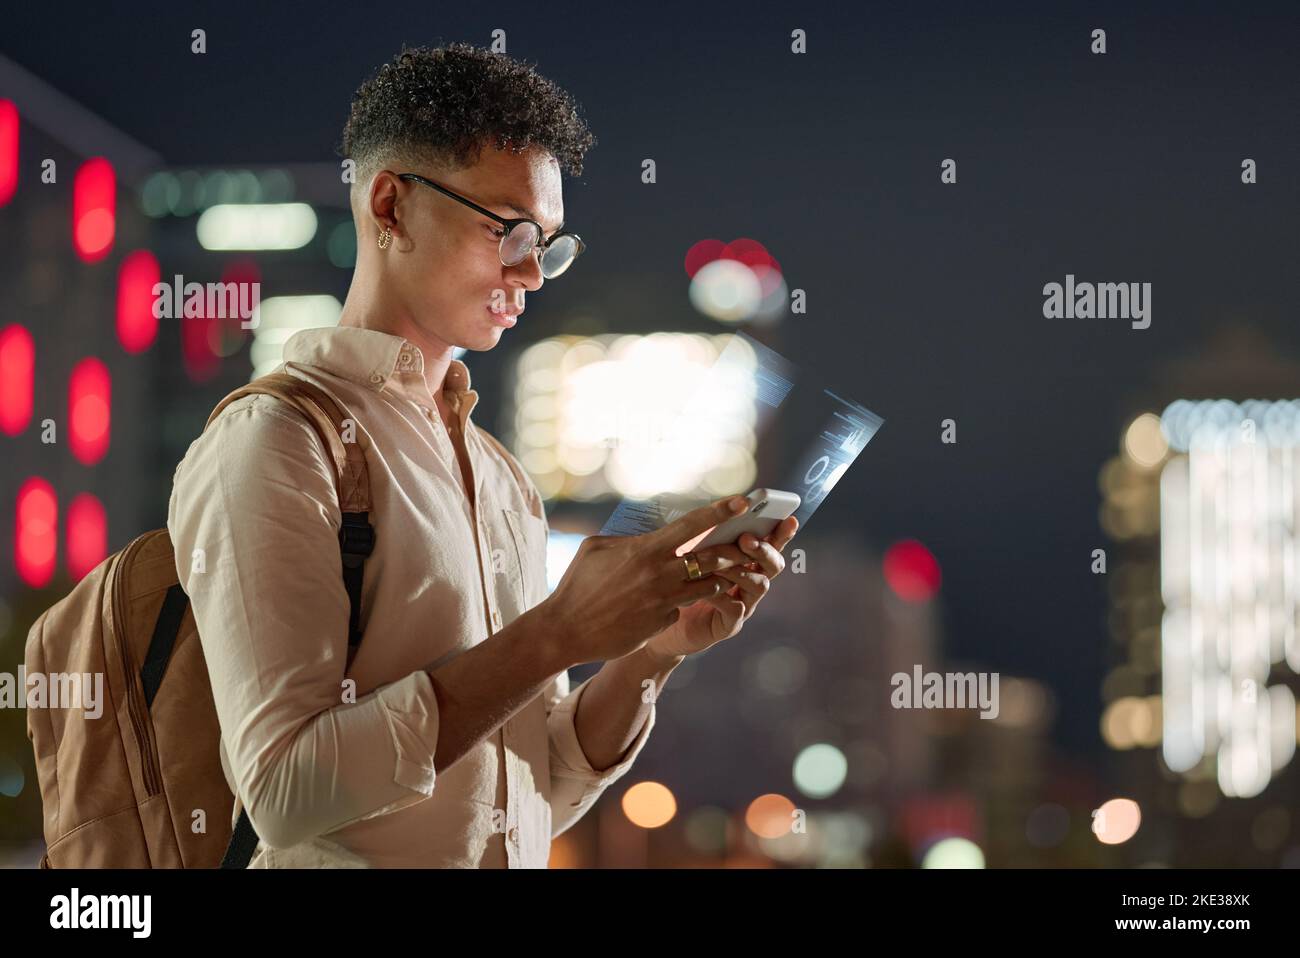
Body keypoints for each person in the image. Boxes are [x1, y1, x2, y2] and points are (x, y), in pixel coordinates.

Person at [167, 42, 798, 868]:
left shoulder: (498, 475)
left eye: (551, 244)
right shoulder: (276, 439)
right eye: (509, 231)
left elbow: (529, 795)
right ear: (390, 206)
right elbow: (285, 791)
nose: (534, 273)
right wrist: (560, 631)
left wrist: (651, 651)